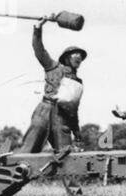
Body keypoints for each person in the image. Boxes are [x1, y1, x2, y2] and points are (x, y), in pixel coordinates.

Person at [20, 17, 85, 153]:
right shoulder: (53, 67)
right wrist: (38, 29)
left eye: (80, 56)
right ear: (67, 57)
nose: (78, 57)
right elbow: (39, 50)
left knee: (66, 156)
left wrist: (76, 131)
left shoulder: (78, 82)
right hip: (44, 112)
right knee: (28, 150)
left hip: (62, 119)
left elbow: (73, 110)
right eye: (75, 55)